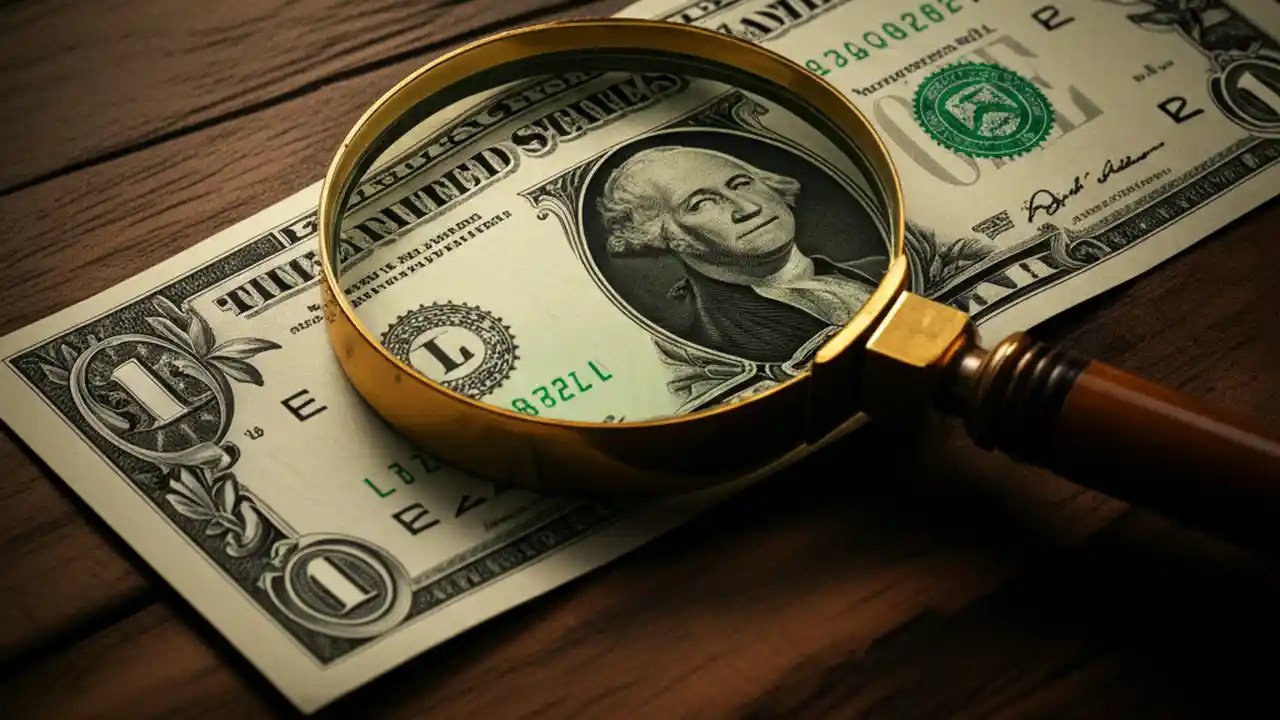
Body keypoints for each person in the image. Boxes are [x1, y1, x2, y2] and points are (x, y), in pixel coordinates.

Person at [597, 145, 887, 364]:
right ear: (660, 235)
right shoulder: (715, 345)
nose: (748, 209)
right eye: (701, 204)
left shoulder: (878, 268)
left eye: (740, 183)